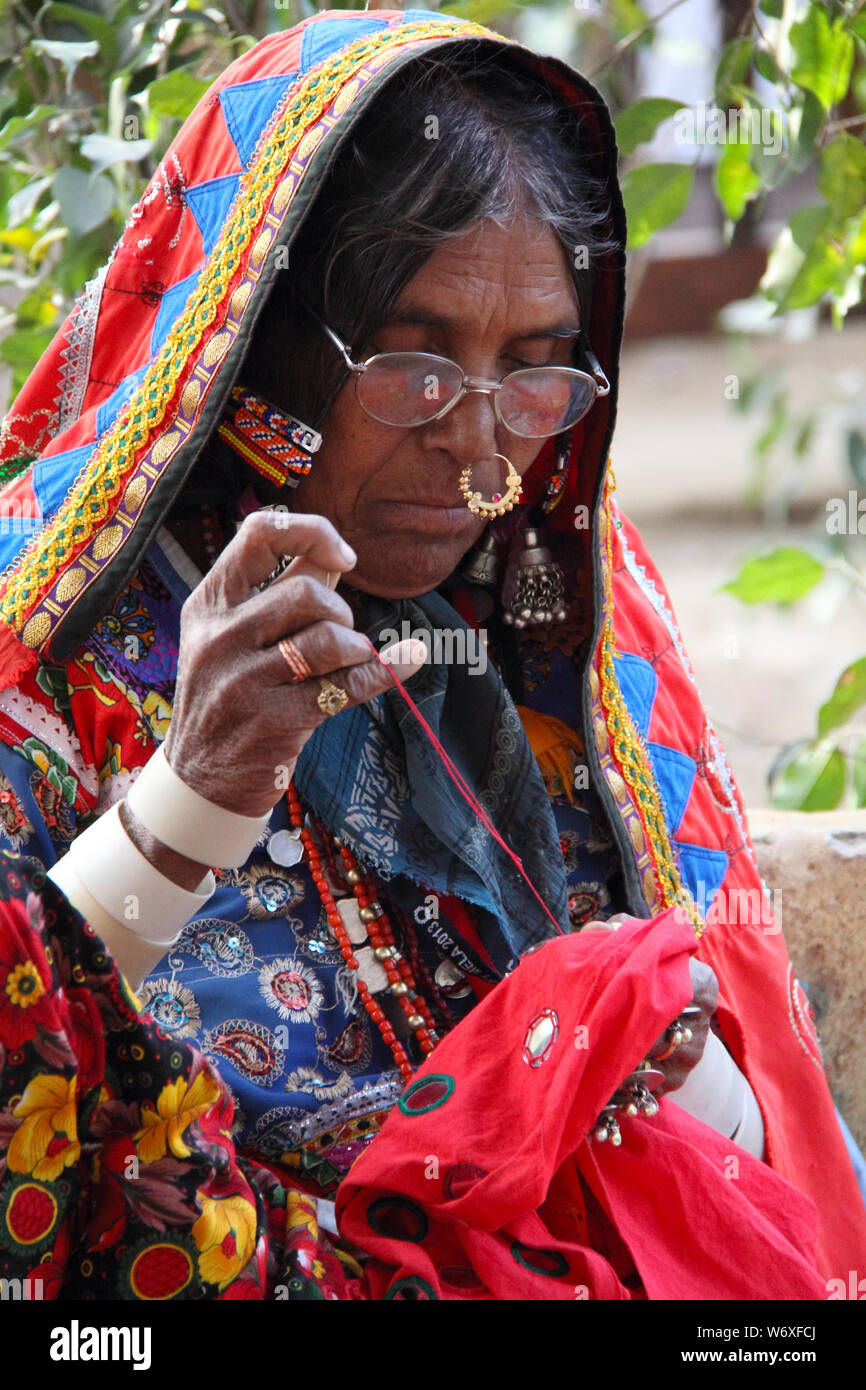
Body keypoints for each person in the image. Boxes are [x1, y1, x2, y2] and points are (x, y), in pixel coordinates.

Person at [0, 6, 861, 1300]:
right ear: (256, 331)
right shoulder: (48, 671)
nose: (478, 451)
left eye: (535, 369)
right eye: (410, 357)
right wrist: (184, 811)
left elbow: (763, 1161)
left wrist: (678, 1070)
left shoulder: (567, 637)